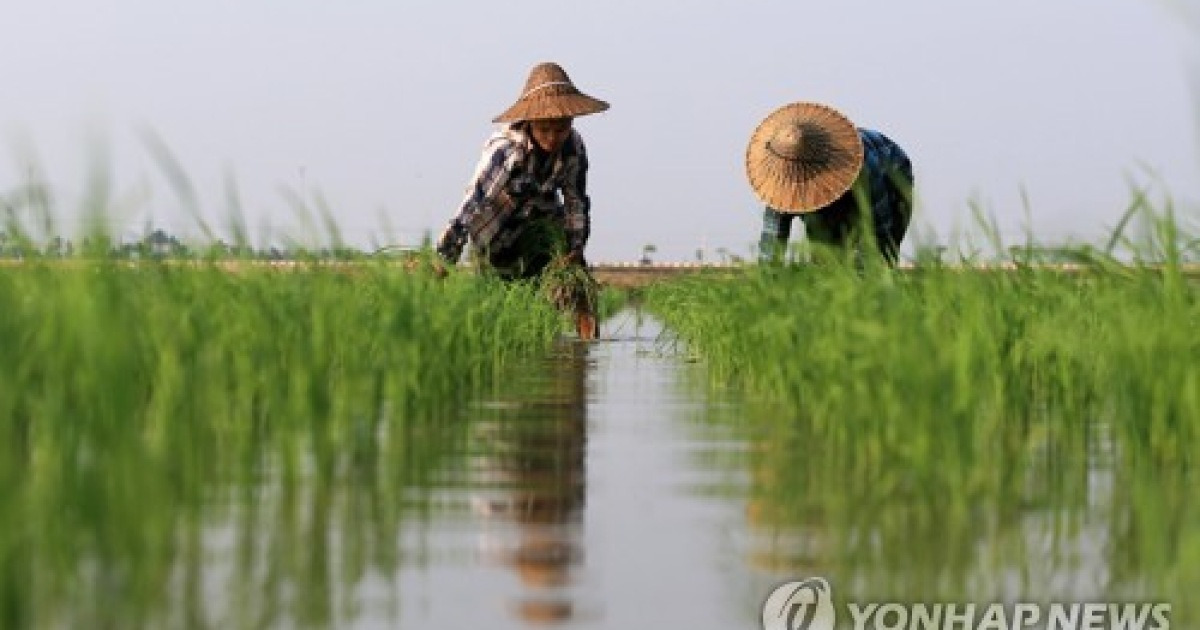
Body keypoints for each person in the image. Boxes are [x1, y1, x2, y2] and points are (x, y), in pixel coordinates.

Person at [435, 62, 608, 280]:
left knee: (551, 284)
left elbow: (576, 202)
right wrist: (445, 256)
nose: (553, 138)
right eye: (544, 129)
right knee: (497, 293)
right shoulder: (507, 150)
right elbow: (474, 202)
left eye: (561, 129)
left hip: (538, 232)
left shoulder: (573, 148)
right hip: (495, 235)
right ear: (530, 122)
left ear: (571, 122)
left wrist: (576, 248)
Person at [745, 101, 913, 266]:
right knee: (824, 259)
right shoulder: (780, 186)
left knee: (883, 259)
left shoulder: (865, 168)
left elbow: (879, 234)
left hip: (891, 174)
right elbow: (772, 243)